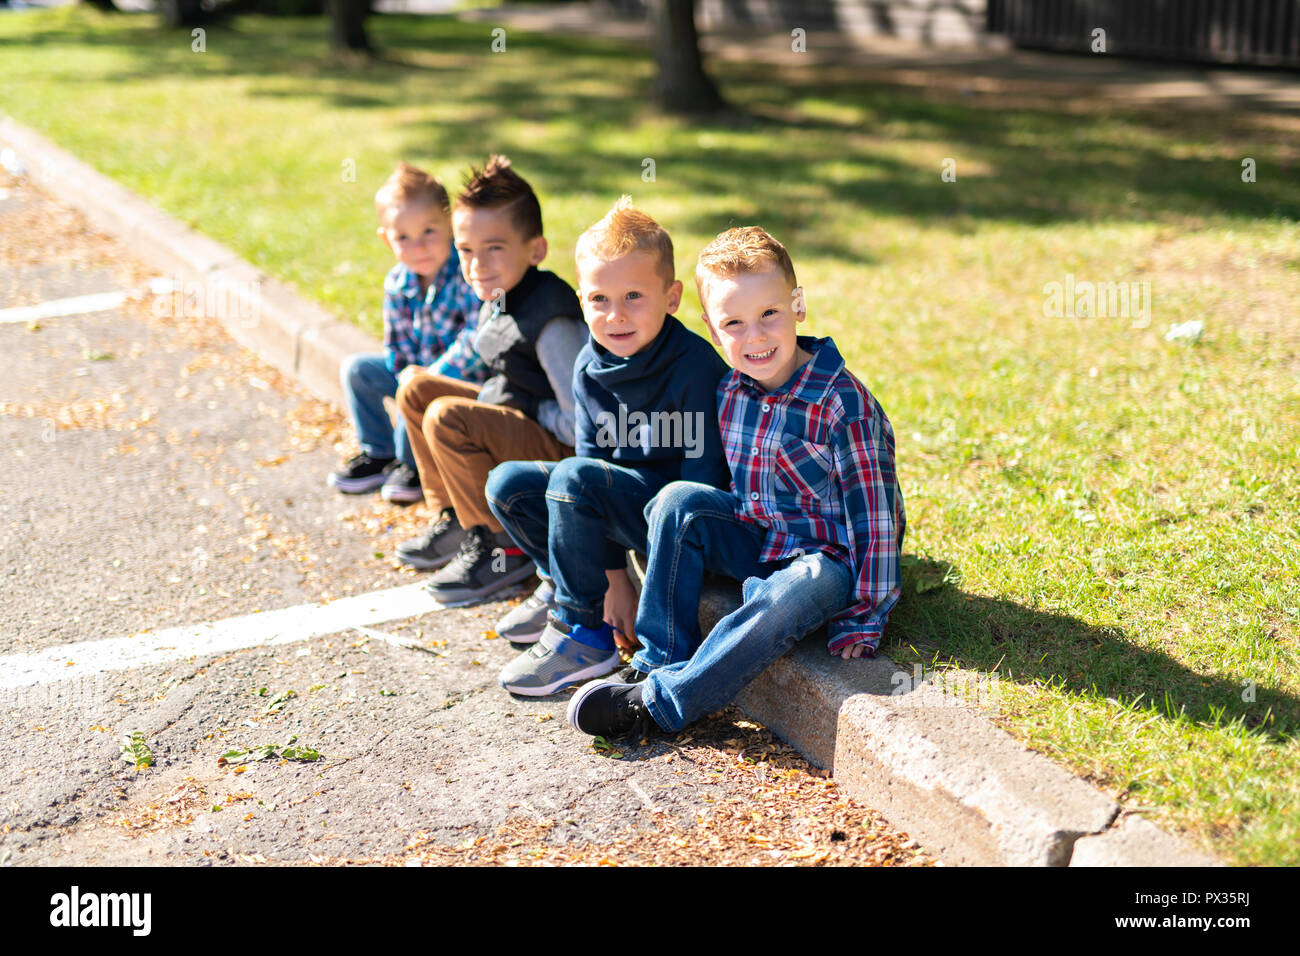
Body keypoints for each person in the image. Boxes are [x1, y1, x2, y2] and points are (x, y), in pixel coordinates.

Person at [567, 226, 906, 740]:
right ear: (711, 327)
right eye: (734, 323)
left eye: (769, 313)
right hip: (756, 535)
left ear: (797, 305)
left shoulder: (841, 402)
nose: (755, 336)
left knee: (797, 590)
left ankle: (660, 705)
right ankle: (657, 660)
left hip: (824, 558)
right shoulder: (730, 389)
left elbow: (879, 519)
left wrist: (865, 613)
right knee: (677, 500)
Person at [487, 196, 730, 696]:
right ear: (581, 301)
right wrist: (614, 575)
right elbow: (590, 462)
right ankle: (570, 587)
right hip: (619, 509)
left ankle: (583, 632)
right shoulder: (587, 365)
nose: (616, 315)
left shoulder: (694, 366)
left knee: (575, 477)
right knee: (508, 483)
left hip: (682, 524)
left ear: (671, 296)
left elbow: (702, 489)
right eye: (599, 299)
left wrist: (628, 566)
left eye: (634, 297)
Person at [394, 155, 588, 607]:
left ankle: (505, 544)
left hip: (560, 458)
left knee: (446, 417)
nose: (477, 264)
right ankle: (460, 519)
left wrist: (527, 409)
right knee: (420, 391)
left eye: (494, 247)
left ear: (535, 250)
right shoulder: (498, 295)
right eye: (465, 250)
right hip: (522, 425)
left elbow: (585, 425)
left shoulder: (551, 320)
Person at [328, 162, 483, 504]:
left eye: (429, 231)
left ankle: (413, 467)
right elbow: (397, 349)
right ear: (387, 239)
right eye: (403, 237)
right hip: (415, 375)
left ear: (451, 225)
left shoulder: (468, 275)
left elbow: (475, 340)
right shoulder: (398, 283)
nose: (418, 247)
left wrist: (426, 379)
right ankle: (380, 453)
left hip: (461, 382)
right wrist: (406, 379)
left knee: (414, 388)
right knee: (359, 371)